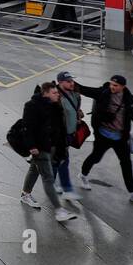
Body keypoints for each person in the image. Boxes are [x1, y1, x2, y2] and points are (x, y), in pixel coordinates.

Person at [77, 74, 133, 204]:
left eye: (115, 85)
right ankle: (83, 175)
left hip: (120, 137)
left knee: (126, 163)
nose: (112, 87)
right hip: (103, 135)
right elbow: (86, 90)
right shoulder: (103, 93)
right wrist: (72, 84)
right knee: (96, 157)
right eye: (111, 84)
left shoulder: (129, 98)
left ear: (123, 86)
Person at [19, 82, 77, 223]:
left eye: (57, 92)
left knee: (34, 168)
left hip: (53, 145)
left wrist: (62, 148)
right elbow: (27, 127)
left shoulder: (56, 106)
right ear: (45, 93)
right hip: (40, 147)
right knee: (48, 178)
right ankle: (59, 210)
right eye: (54, 93)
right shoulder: (31, 106)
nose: (58, 95)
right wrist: (32, 146)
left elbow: (60, 128)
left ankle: (25, 194)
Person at [52, 71, 83, 201]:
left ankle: (51, 183)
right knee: (63, 160)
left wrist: (77, 115)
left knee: (58, 160)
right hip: (60, 135)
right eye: (68, 81)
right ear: (60, 82)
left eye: (72, 81)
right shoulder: (56, 97)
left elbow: (75, 109)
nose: (71, 83)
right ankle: (67, 189)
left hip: (71, 133)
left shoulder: (75, 94)